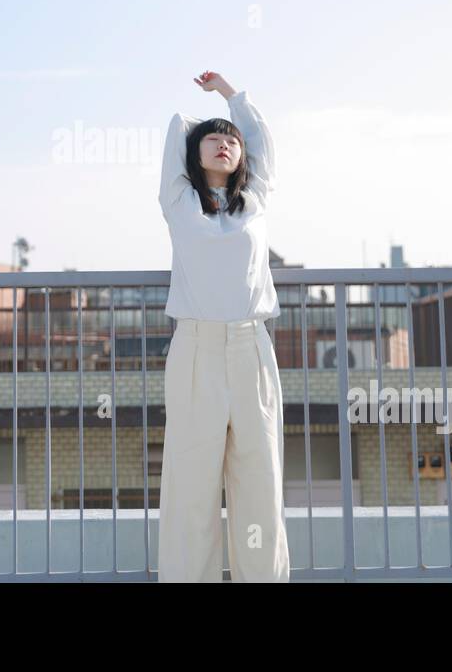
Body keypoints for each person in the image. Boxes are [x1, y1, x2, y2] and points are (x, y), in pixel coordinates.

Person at [156, 70, 290, 582]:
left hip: (251, 348)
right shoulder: (179, 202)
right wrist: (202, 119)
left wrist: (232, 97)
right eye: (212, 139)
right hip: (196, 351)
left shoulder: (255, 199)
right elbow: (175, 132)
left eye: (230, 139)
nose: (224, 144)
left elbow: (260, 142)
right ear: (194, 154)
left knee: (260, 484)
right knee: (191, 488)